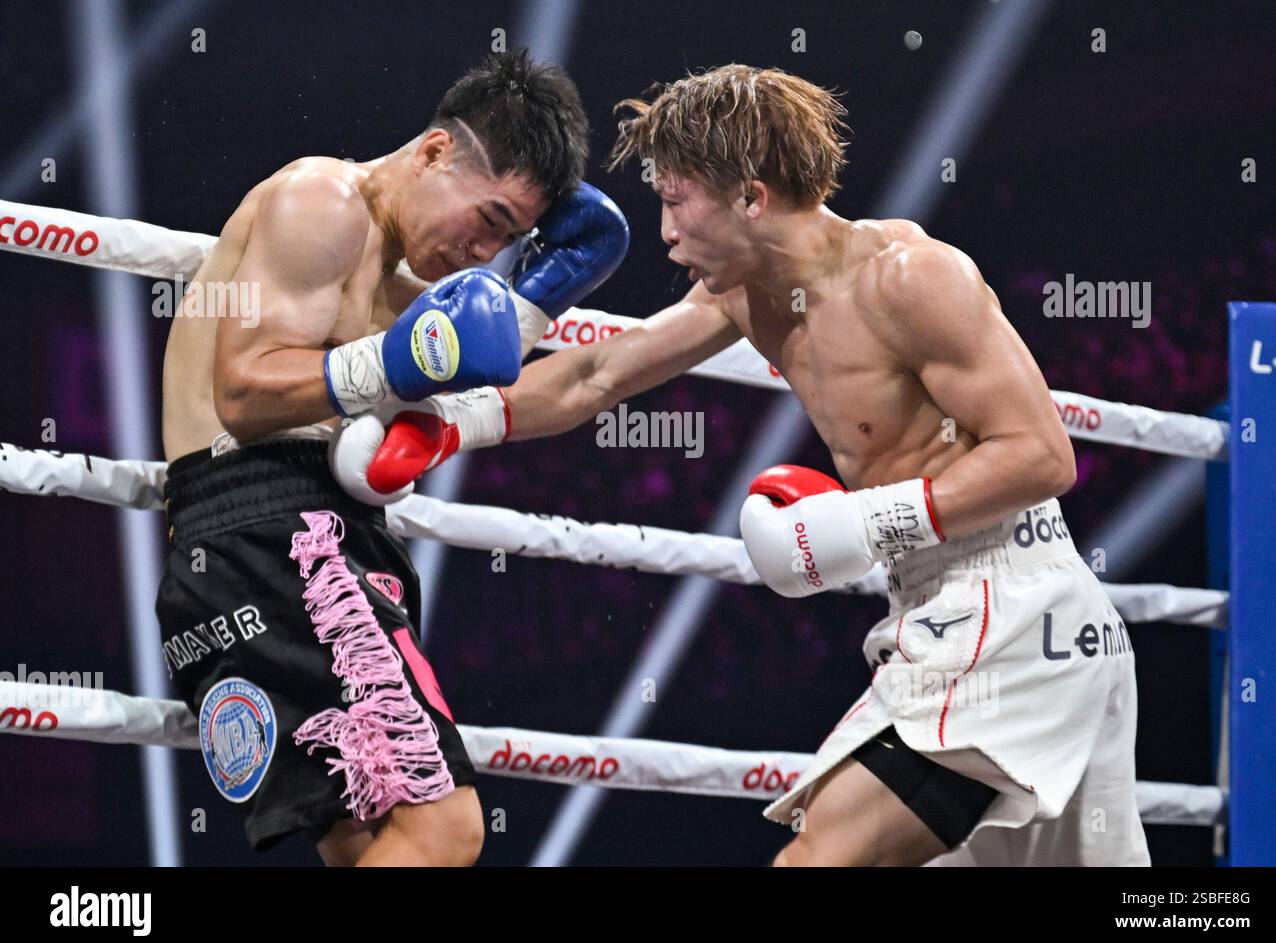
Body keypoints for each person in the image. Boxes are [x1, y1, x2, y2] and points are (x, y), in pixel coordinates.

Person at [339, 64, 1150, 866]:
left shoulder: (911, 277)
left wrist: (863, 521)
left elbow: (1043, 457)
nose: (663, 232)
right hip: (941, 607)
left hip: (1014, 608)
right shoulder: (743, 292)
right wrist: (454, 424)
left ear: (751, 198)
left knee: (817, 858)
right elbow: (598, 374)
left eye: (677, 200)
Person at [156, 49, 628, 866]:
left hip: (293, 540)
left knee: (377, 840)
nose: (486, 253)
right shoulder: (322, 199)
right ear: (436, 152)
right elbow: (244, 392)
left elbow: (555, 388)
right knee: (446, 827)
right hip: (273, 528)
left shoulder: (403, 287)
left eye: (510, 241)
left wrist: (700, 309)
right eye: (489, 221)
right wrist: (395, 366)